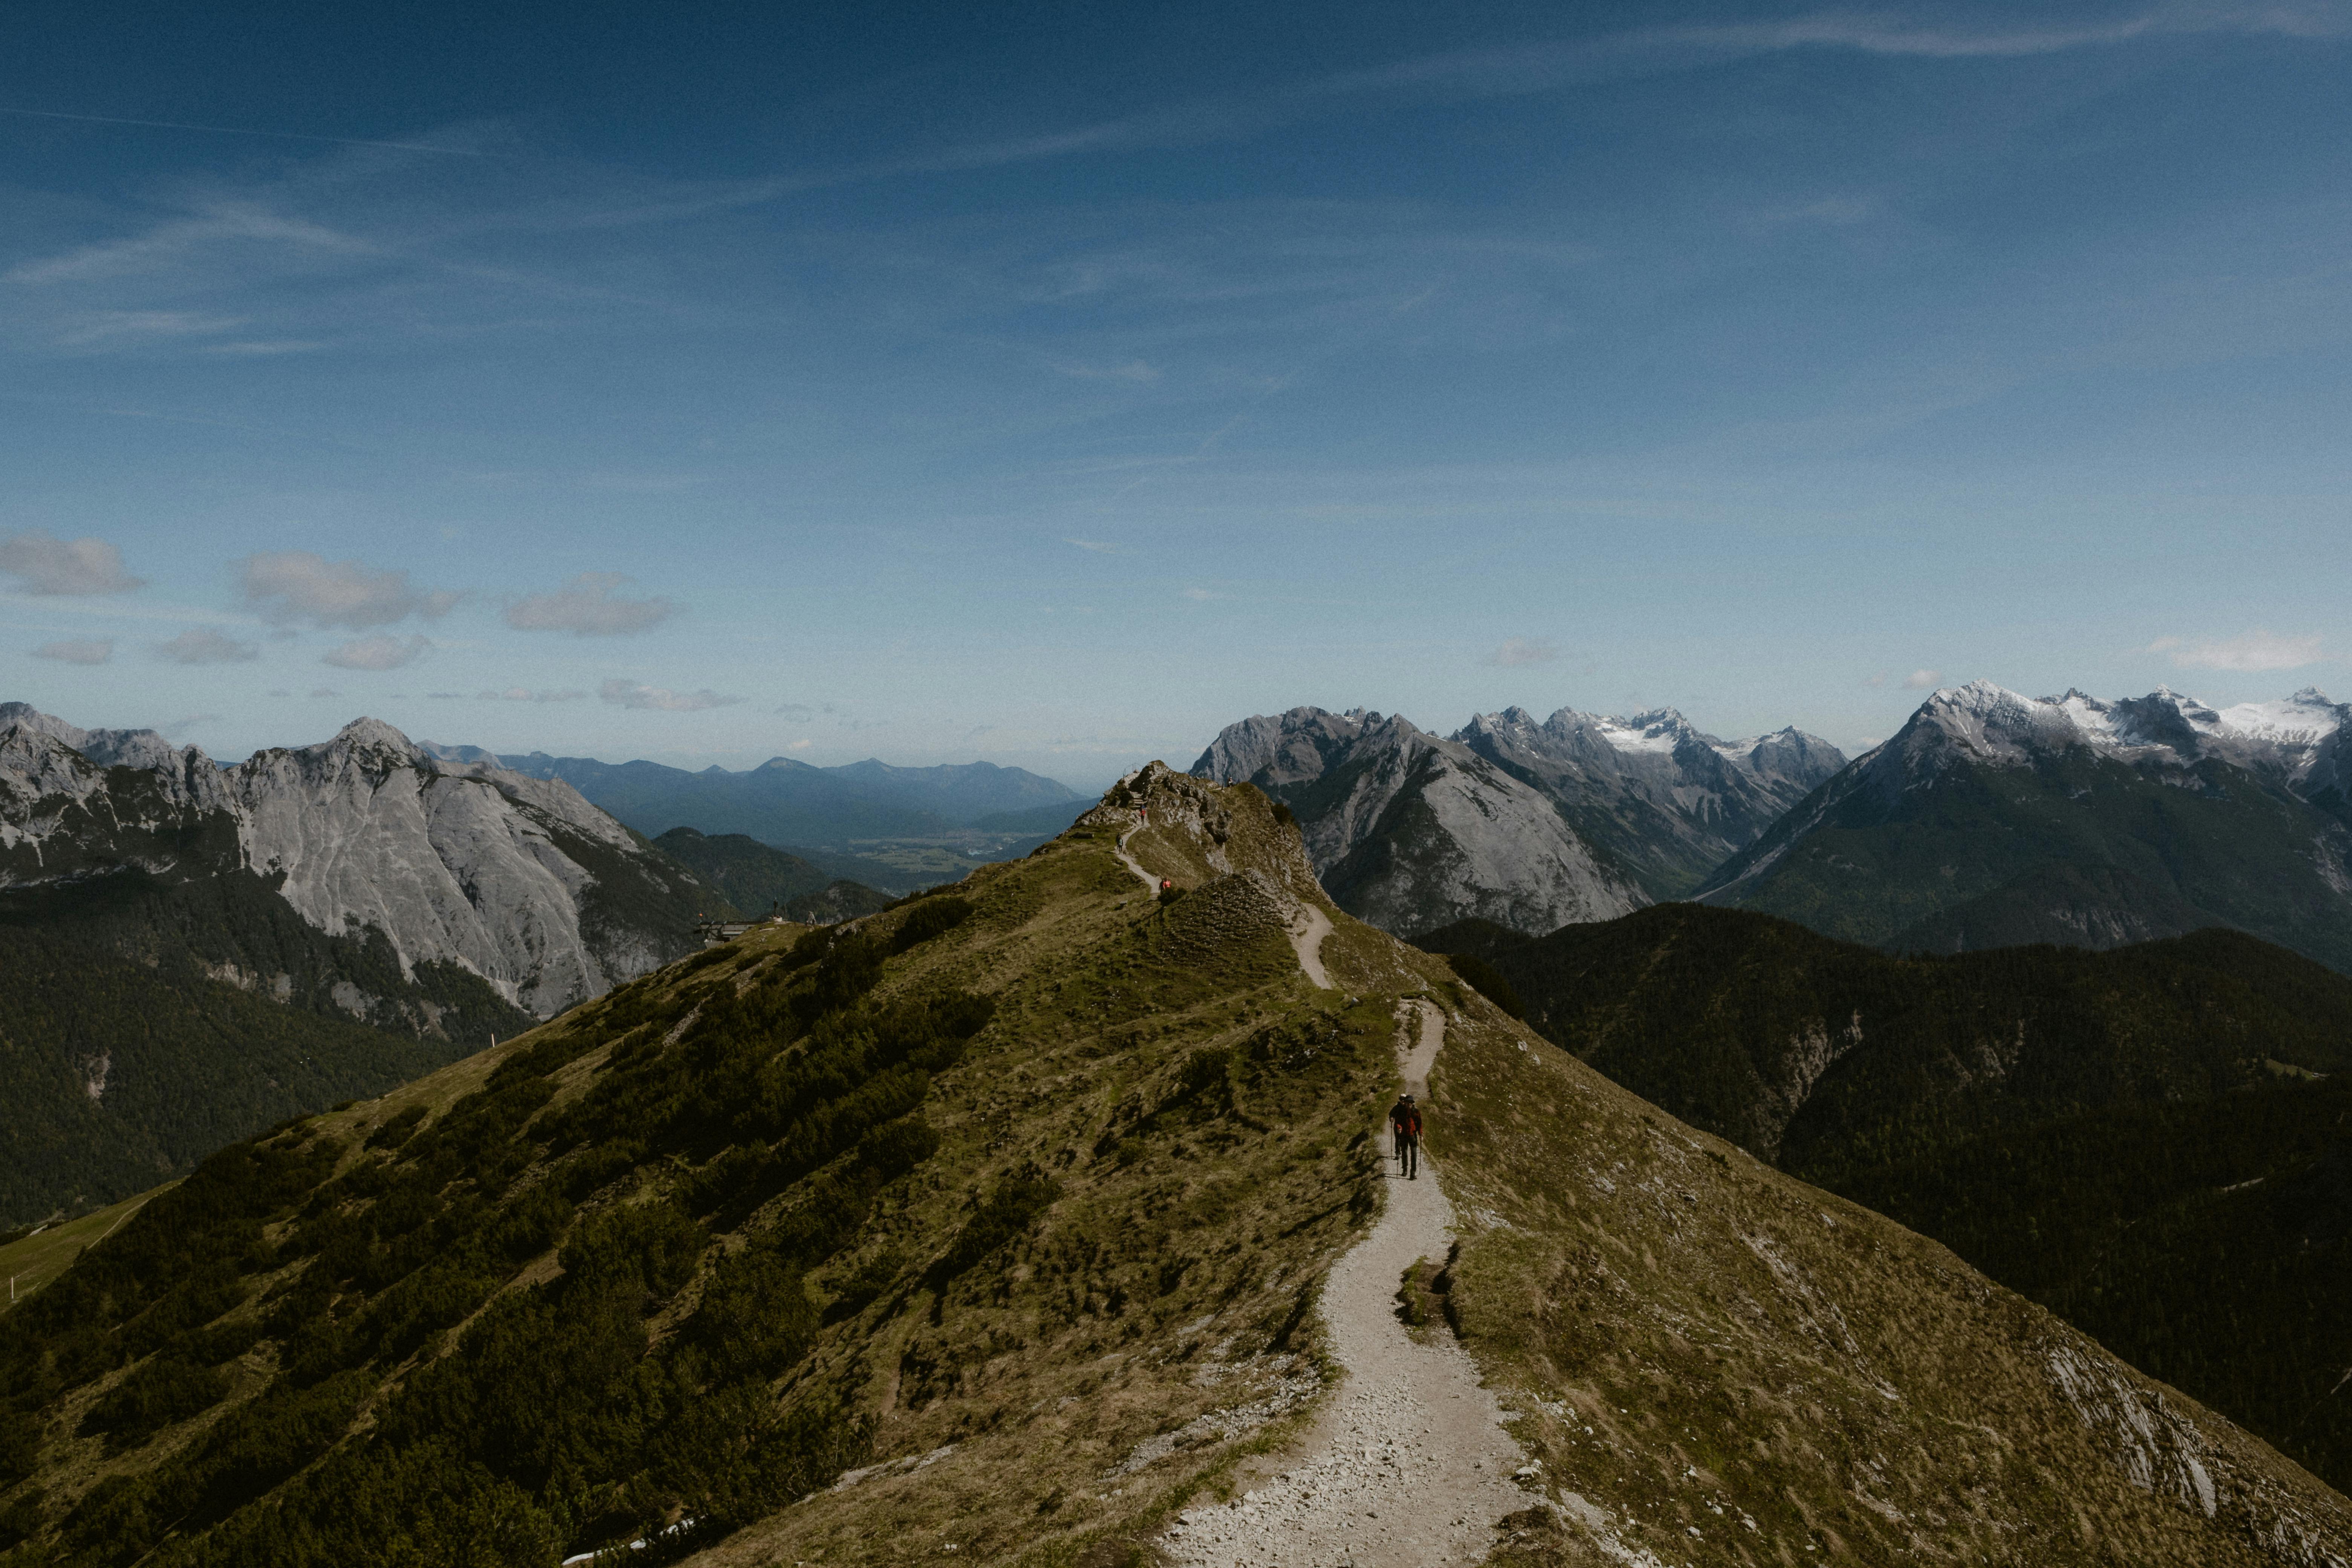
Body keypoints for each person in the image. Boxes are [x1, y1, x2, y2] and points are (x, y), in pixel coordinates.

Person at [1389, 1092, 1421, 1180]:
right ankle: (1405, 1170)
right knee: (1404, 1153)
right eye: (1408, 1102)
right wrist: (1399, 1127)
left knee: (1414, 1154)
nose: (1410, 1104)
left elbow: (1419, 1123)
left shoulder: (1416, 1112)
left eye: (1411, 1103)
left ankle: (1413, 1173)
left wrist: (1421, 1134)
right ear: (1406, 1103)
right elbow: (1398, 1122)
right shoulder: (1401, 1111)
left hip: (1413, 1135)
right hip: (1404, 1135)